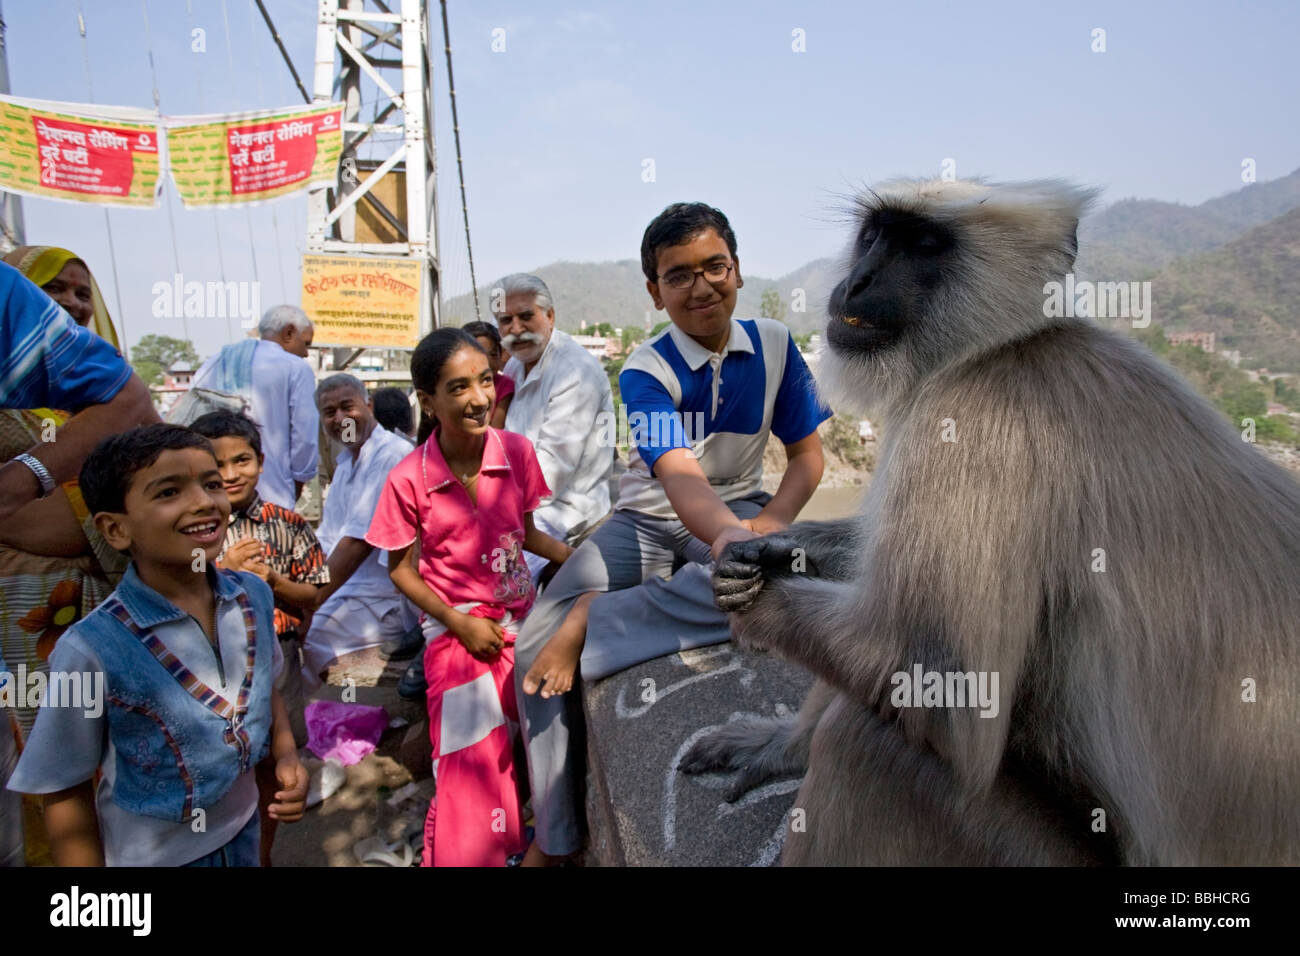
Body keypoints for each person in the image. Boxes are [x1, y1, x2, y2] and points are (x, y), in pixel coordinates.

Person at [512, 203, 831, 865]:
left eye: (715, 266)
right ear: (655, 293)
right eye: (678, 276)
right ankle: (556, 833)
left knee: (794, 589)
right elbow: (680, 480)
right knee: (535, 642)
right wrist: (732, 544)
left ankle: (598, 618)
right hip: (652, 518)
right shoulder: (644, 368)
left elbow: (807, 459)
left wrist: (767, 526)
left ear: (738, 270)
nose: (701, 285)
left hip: (743, 506)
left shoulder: (773, 344)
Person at [6, 424, 308, 865]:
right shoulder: (88, 648)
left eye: (211, 485)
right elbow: (64, 787)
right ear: (115, 530)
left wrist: (285, 757)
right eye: (169, 492)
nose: (204, 502)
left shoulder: (254, 595)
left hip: (246, 828)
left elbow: (268, 688)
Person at [366, 328, 571, 866]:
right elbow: (402, 572)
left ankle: (517, 849)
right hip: (458, 634)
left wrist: (585, 559)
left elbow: (526, 535)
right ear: (428, 403)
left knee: (528, 759)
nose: (479, 398)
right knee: (470, 770)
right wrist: (458, 623)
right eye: (458, 388)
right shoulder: (410, 479)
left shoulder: (517, 452)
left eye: (485, 381)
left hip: (520, 628)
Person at [0, 259, 157, 868]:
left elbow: (115, 515)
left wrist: (29, 484)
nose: (70, 303)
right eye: (54, 289)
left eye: (82, 293)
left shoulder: (110, 399)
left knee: (76, 779)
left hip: (72, 623)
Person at [190, 409, 329, 865]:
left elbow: (313, 592)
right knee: (220, 760)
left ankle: (262, 853)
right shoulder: (193, 531)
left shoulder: (286, 524)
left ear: (261, 461)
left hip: (278, 656)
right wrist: (222, 571)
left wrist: (272, 580)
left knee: (274, 756)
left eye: (242, 461)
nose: (231, 475)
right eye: (217, 466)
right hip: (209, 662)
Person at [301, 374, 416, 688]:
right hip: (349, 592)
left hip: (382, 598)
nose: (339, 418)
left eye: (346, 407)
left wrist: (308, 601)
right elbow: (327, 539)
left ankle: (314, 728)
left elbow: (355, 545)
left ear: (368, 405)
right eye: (329, 412)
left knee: (304, 641)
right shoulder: (347, 464)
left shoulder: (390, 454)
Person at [494, 275, 613, 578]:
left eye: (525, 316)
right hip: (521, 504)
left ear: (550, 316)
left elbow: (549, 476)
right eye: (505, 320)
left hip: (564, 510)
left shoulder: (574, 371)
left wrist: (488, 505)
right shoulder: (514, 365)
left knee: (494, 577)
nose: (516, 329)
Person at [190, 305, 318, 510]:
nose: (305, 353)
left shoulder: (214, 364)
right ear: (289, 332)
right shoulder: (296, 368)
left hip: (213, 497)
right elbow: (305, 437)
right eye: (306, 344)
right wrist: (297, 484)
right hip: (273, 495)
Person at [462, 320, 514, 428]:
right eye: (479, 354)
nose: (488, 361)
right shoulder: (456, 384)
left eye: (493, 354)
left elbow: (496, 429)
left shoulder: (504, 385)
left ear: (501, 355)